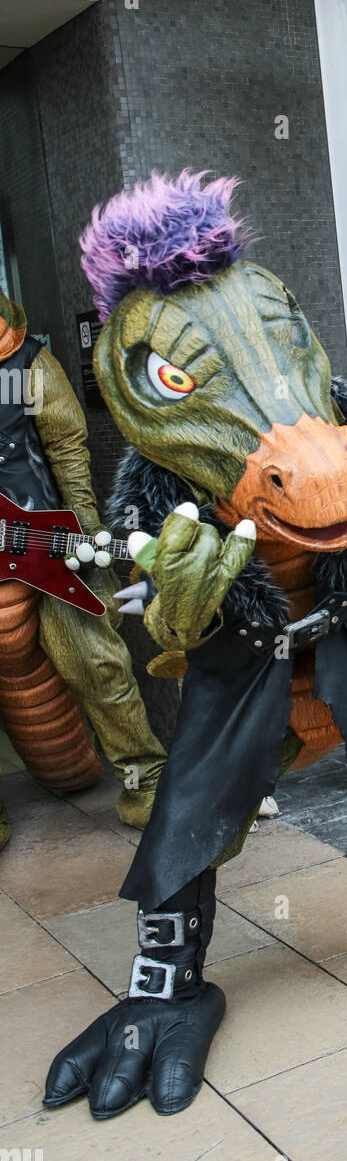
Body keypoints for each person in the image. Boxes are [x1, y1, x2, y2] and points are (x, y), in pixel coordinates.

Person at [0, 286, 165, 850]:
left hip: (42, 544)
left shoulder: (24, 366)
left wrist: (88, 532)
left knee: (100, 664)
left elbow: (67, 448)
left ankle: (147, 780)